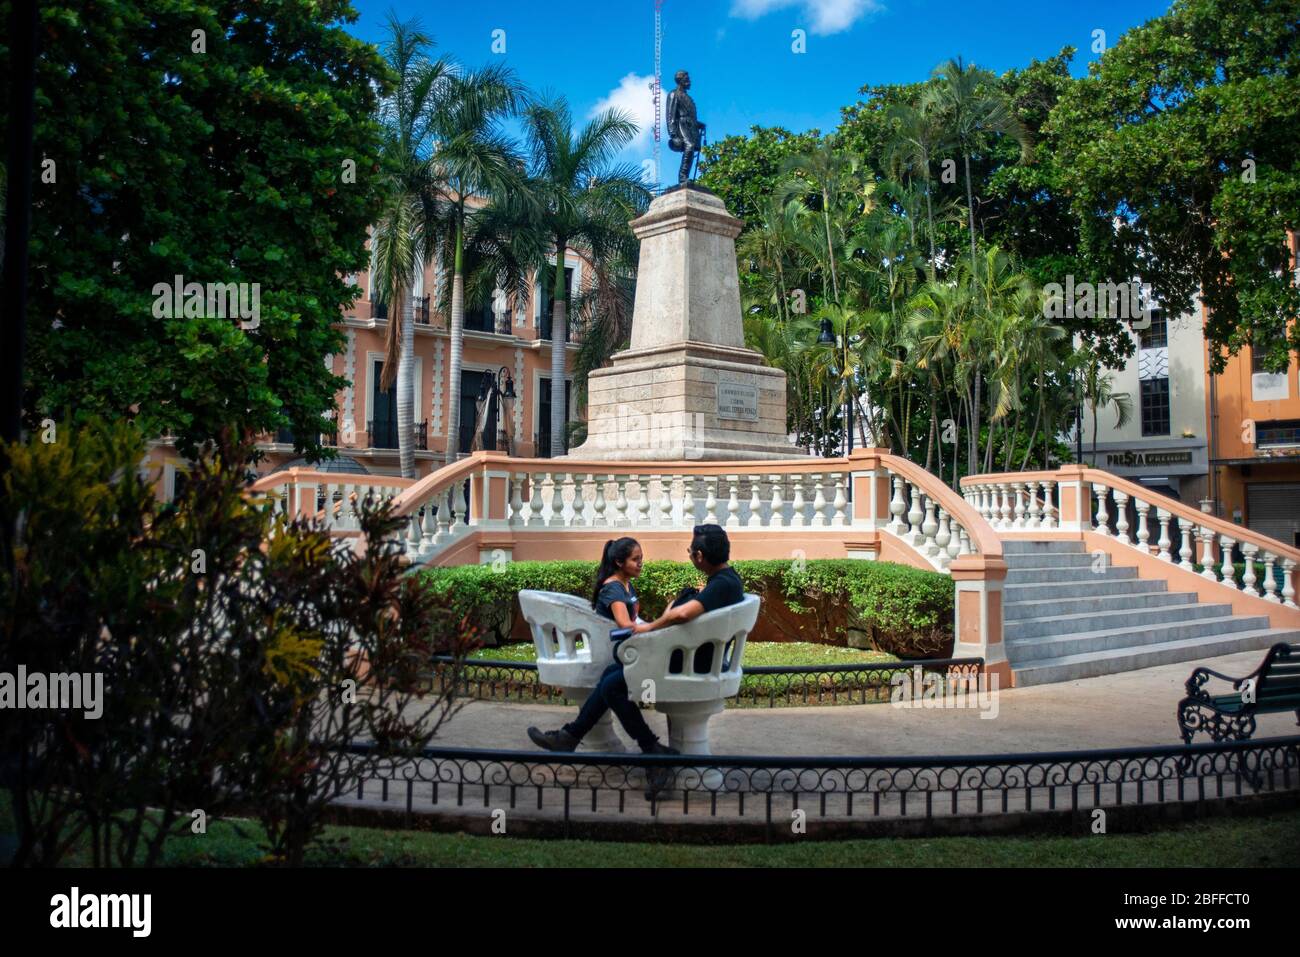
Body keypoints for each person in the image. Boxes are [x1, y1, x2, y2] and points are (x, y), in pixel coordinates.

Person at [526, 525, 744, 756]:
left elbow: (681, 614)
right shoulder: (726, 581)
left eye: (690, 551)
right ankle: (574, 737)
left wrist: (650, 626)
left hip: (692, 665)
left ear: (699, 556)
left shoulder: (722, 584)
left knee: (612, 684)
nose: (690, 556)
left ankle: (644, 748)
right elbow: (676, 613)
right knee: (612, 675)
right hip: (692, 658)